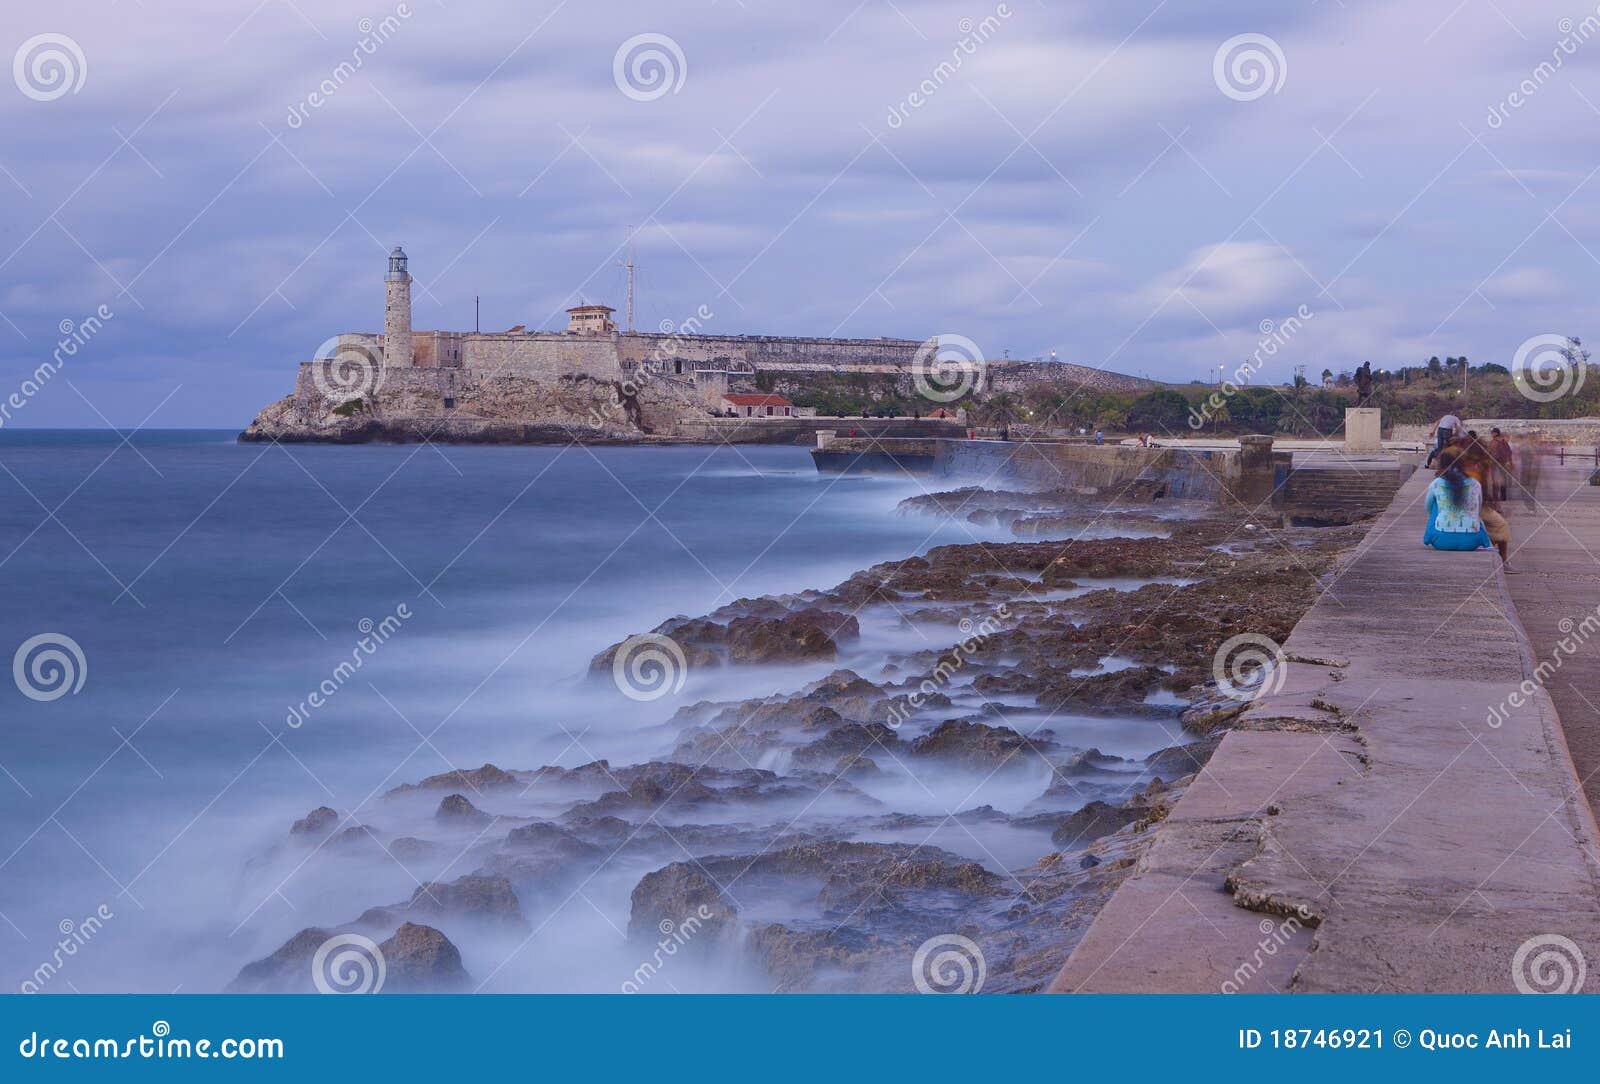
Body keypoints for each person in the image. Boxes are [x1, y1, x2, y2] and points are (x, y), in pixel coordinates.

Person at [1424, 449, 1491, 552]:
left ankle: (1429, 537)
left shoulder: (1437, 483)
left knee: (1435, 505)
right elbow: (1478, 509)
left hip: (1441, 541)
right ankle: (1483, 539)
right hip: (1471, 542)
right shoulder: (1475, 483)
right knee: (1472, 512)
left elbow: (1427, 507)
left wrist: (1441, 516)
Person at [1488, 427, 1514, 502]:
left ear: (1496, 433)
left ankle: (1495, 496)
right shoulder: (1503, 441)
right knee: (1503, 479)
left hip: (1494, 462)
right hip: (1503, 462)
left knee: (1494, 480)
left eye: (1492, 432)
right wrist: (1510, 462)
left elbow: (1489, 452)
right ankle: (1503, 496)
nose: (1491, 434)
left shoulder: (1493, 442)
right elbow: (1509, 452)